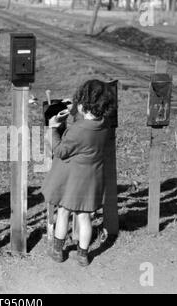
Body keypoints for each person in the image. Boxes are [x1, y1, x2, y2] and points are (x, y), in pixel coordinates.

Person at [41, 79, 113, 266]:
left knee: (64, 212)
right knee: (84, 216)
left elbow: (60, 151)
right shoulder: (104, 124)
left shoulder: (78, 130)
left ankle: (57, 251)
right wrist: (73, 109)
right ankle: (83, 255)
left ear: (83, 104)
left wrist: (52, 129)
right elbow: (87, 124)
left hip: (73, 180)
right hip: (92, 179)